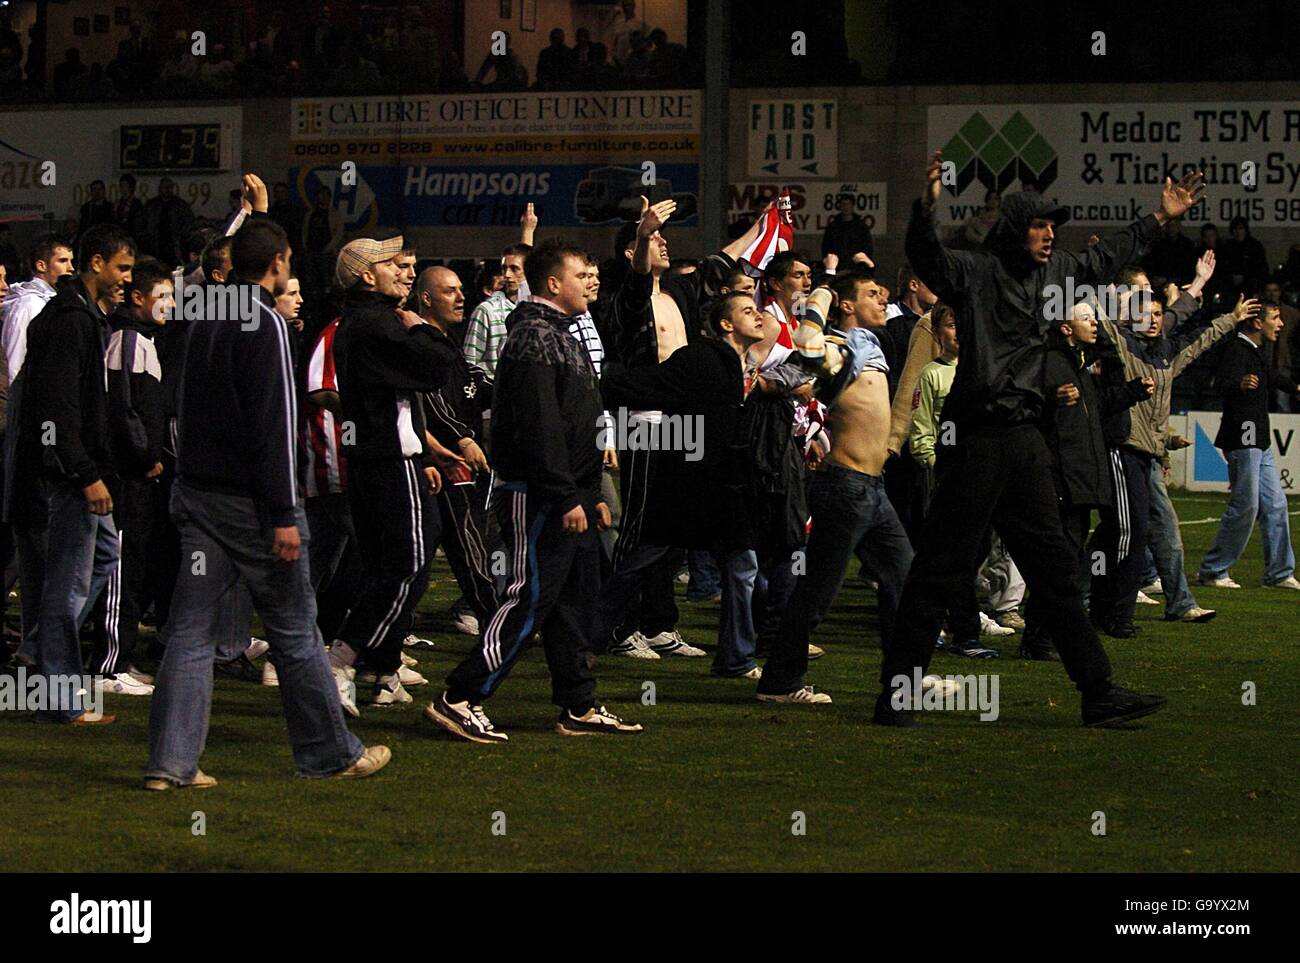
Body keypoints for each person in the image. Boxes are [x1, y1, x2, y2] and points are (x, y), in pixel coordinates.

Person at [875, 150, 1193, 728]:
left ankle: (1097, 691)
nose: (1051, 235)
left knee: (1056, 572)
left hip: (1023, 441)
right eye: (1041, 226)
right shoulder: (974, 272)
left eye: (1053, 226)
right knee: (939, 571)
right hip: (977, 441)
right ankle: (898, 696)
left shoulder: (1057, 272)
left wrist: (1160, 218)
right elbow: (926, 255)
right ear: (1018, 229)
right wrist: (926, 207)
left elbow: (1107, 256)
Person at [145, 217, 388, 787]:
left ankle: (170, 764)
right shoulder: (266, 324)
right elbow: (276, 426)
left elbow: (190, 404)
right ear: (278, 262)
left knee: (188, 631)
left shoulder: (207, 315)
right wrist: (283, 513)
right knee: (296, 631)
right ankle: (330, 754)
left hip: (199, 496)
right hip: (252, 507)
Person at [428, 239, 640, 742]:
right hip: (539, 493)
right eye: (581, 274)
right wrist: (567, 495)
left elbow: (567, 421)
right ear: (552, 283)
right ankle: (460, 696)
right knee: (530, 598)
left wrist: (588, 495)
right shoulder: (533, 337)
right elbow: (540, 425)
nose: (591, 281)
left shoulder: (556, 333)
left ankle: (577, 704)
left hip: (565, 492)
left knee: (571, 603)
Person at [757, 282, 913, 704]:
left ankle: (904, 684)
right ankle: (780, 683)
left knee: (904, 580)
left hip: (872, 490)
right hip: (844, 487)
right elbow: (807, 349)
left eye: (884, 291)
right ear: (847, 304)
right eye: (870, 293)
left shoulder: (866, 345)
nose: (883, 298)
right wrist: (822, 294)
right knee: (817, 593)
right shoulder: (840, 344)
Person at [325, 237, 458, 714]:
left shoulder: (362, 321)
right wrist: (425, 329)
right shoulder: (377, 323)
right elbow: (437, 367)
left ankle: (381, 669)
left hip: (381, 458)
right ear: (366, 275)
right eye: (394, 265)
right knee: (405, 564)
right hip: (386, 461)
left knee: (395, 563)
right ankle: (341, 659)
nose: (406, 272)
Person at [10, 225, 133, 724]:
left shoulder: (78, 316)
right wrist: (84, 473)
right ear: (97, 263)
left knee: (103, 557)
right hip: (68, 474)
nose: (126, 279)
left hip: (69, 468)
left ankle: (38, 648)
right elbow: (58, 408)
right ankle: (59, 698)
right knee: (70, 584)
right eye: (122, 268)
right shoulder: (71, 321)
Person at [1090, 280, 1243, 633]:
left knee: (1118, 534)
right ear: (1131, 318)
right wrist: (1098, 274)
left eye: (1159, 313)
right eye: (1147, 314)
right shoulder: (1124, 346)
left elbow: (1201, 341)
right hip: (1124, 452)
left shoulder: (1165, 353)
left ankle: (1097, 603)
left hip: (1147, 457)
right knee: (1130, 532)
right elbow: (1101, 318)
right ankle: (1118, 615)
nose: (1155, 319)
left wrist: (1231, 319)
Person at [1023, 301, 1153, 660]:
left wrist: (1131, 392)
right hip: (1061, 480)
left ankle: (1041, 636)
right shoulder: (1050, 363)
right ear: (1065, 328)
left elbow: (1095, 406)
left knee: (1066, 561)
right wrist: (1050, 400)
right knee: (1059, 563)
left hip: (1079, 481)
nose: (1094, 323)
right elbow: (1028, 409)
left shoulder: (1078, 363)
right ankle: (1039, 637)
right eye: (1085, 318)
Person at [87, 257, 173, 696]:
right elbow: (122, 411)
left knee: (134, 563)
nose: (170, 305)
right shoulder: (127, 340)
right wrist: (144, 457)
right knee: (121, 565)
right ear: (138, 297)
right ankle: (107, 664)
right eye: (163, 296)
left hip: (137, 474)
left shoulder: (143, 338)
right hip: (125, 476)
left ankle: (119, 657)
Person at [415, 266, 497, 635]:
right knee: (468, 547)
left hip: (451, 460)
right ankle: (495, 620)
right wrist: (462, 439)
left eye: (461, 289)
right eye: (450, 291)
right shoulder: (421, 343)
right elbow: (429, 402)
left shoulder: (448, 344)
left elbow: (471, 387)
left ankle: (384, 634)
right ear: (426, 298)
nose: (460, 297)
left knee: (445, 548)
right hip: (444, 463)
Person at [1197, 303, 1300, 590]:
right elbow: (1219, 384)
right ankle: (1212, 570)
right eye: (1275, 318)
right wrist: (1238, 384)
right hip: (1244, 435)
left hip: (1258, 437)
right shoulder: (1237, 350)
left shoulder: (1255, 352)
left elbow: (1272, 376)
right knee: (1246, 505)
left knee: (1276, 504)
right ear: (1257, 323)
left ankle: (1279, 573)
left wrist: (1296, 389)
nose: (1280, 324)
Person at [463, 242, 530, 379]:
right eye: (504, 268)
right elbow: (469, 362)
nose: (507, 274)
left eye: (514, 269)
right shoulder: (487, 311)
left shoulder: (536, 310)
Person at [820, 193, 875, 267]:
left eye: (848, 204)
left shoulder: (861, 227)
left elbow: (868, 247)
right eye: (843, 204)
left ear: (852, 206)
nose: (846, 207)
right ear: (840, 206)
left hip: (856, 267)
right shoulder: (833, 227)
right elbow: (826, 247)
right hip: (837, 266)